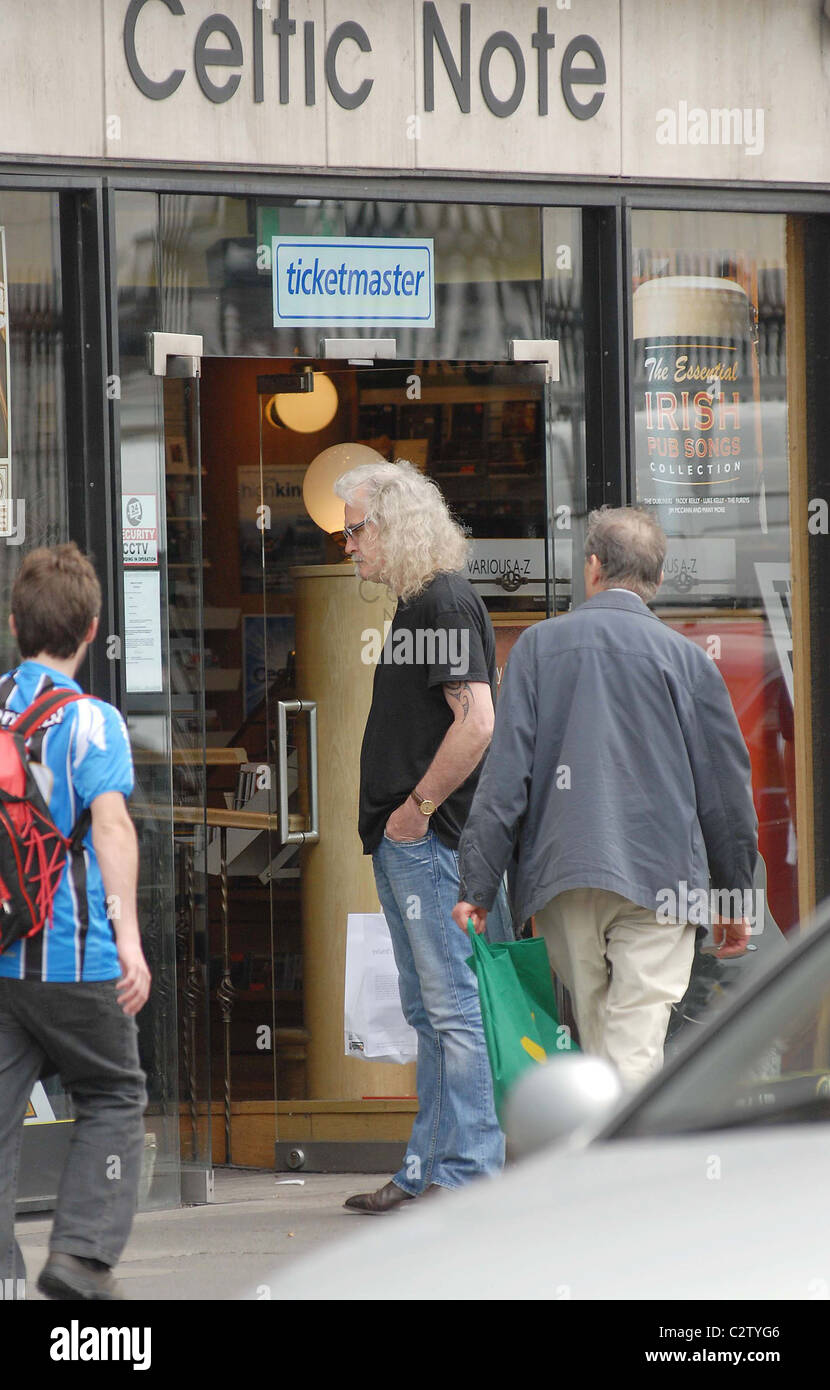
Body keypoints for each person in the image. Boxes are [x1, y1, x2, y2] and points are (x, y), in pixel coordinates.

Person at [452, 506, 758, 1087]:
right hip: (662, 877)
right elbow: (724, 794)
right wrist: (734, 895)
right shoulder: (688, 661)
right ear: (658, 579)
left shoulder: (538, 649)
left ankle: (609, 1159)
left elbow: (505, 778)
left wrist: (478, 884)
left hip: (566, 874)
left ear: (592, 568)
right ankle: (629, 1163)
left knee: (597, 1037)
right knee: (635, 1035)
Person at [336, 459, 512, 1213]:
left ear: (395, 523)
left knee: (449, 1009)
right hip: (415, 839)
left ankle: (465, 1175)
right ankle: (429, 1168)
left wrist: (417, 805)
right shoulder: (424, 602)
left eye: (355, 529)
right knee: (430, 1012)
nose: (347, 546)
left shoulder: (440, 602)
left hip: (430, 839)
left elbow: (477, 720)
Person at [0, 543, 149, 1300]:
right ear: (92, 628)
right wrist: (128, 939)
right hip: (75, 956)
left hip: (0, 959)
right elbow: (113, 830)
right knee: (114, 1094)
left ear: (15, 622)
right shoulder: (94, 723)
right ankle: (81, 1256)